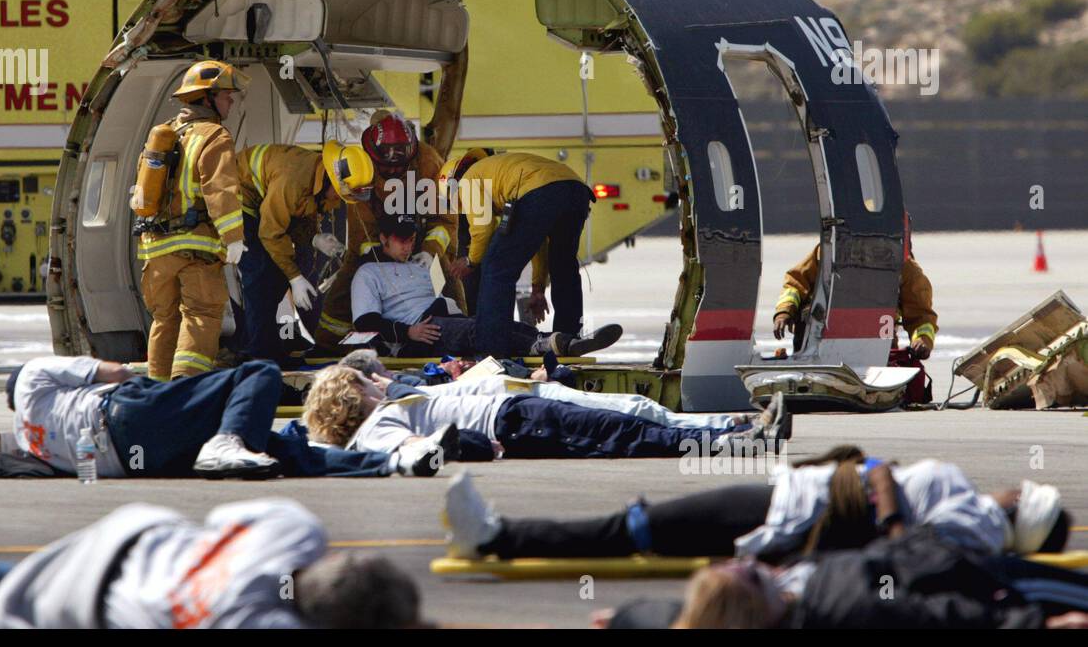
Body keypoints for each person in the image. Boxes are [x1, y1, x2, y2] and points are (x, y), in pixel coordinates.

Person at [0, 499, 422, 629]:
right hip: (82, 606)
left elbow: (229, 517)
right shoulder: (250, 622)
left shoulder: (291, 531)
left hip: (107, 548)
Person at [441, 452, 1069, 562]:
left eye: (1023, 491)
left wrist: (880, 490)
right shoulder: (972, 507)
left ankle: (495, 536)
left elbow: (906, 541)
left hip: (787, 513)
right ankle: (499, 534)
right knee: (641, 527)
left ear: (1022, 510)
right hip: (793, 503)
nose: (1013, 486)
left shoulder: (979, 523)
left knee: (640, 526)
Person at [7, 355, 447, 481]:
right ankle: (225, 442)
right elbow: (116, 372)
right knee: (259, 373)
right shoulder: (31, 375)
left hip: (129, 462)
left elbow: (82, 468)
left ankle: (394, 462)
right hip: (125, 414)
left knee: (280, 453)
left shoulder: (31, 442)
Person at [605, 527, 1088, 629]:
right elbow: (935, 622)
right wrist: (1033, 628)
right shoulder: (842, 609)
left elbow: (665, 617)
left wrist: (623, 618)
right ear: (754, 615)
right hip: (996, 587)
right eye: (748, 578)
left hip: (949, 561)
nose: (751, 563)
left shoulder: (782, 595)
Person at [301, 364, 785, 460]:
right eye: (366, 381)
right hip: (511, 421)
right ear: (353, 396)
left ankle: (731, 433)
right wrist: (441, 446)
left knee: (623, 427)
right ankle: (727, 442)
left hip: (515, 410)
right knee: (622, 432)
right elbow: (406, 449)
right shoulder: (378, 423)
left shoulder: (389, 406)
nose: (376, 382)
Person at [349, 213, 622, 358]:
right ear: (383, 238)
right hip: (422, 332)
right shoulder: (369, 273)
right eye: (400, 240)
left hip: (448, 322)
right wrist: (409, 332)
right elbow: (364, 322)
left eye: (411, 239)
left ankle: (554, 342)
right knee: (480, 328)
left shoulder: (419, 265)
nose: (408, 246)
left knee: (488, 325)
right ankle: (551, 344)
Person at [135, 61, 248, 381]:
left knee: (164, 321)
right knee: (202, 315)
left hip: (155, 251)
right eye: (227, 96)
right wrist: (234, 238)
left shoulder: (165, 135)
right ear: (208, 98)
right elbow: (220, 190)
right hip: (194, 247)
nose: (231, 102)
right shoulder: (214, 135)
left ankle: (157, 390)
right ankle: (186, 387)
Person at [314, 112, 462, 347]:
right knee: (345, 288)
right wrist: (383, 254)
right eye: (385, 167)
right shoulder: (360, 164)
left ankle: (461, 335)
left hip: (419, 234)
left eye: (399, 167)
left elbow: (444, 219)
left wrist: (429, 250)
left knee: (447, 283)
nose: (393, 171)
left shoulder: (429, 163)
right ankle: (328, 347)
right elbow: (362, 232)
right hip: (379, 237)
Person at [442, 150, 608, 357]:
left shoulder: (468, 180)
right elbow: (537, 242)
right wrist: (537, 287)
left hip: (539, 193)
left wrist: (470, 260)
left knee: (496, 267)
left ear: (451, 186)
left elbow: (482, 229)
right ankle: (568, 337)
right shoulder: (494, 172)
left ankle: (491, 346)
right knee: (564, 267)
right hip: (576, 191)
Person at [236, 141, 373, 362]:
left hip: (261, 206)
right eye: (338, 194)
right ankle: (259, 356)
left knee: (278, 275)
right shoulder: (294, 179)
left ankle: (264, 346)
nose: (337, 202)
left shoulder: (314, 179)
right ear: (331, 180)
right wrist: (295, 277)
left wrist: (314, 239)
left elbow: (297, 215)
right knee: (260, 274)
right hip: (238, 201)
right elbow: (270, 232)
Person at [772, 239, 938, 360]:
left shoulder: (904, 266)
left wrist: (922, 341)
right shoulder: (827, 252)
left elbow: (921, 315)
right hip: (818, 344)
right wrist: (784, 311)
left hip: (877, 351)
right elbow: (795, 283)